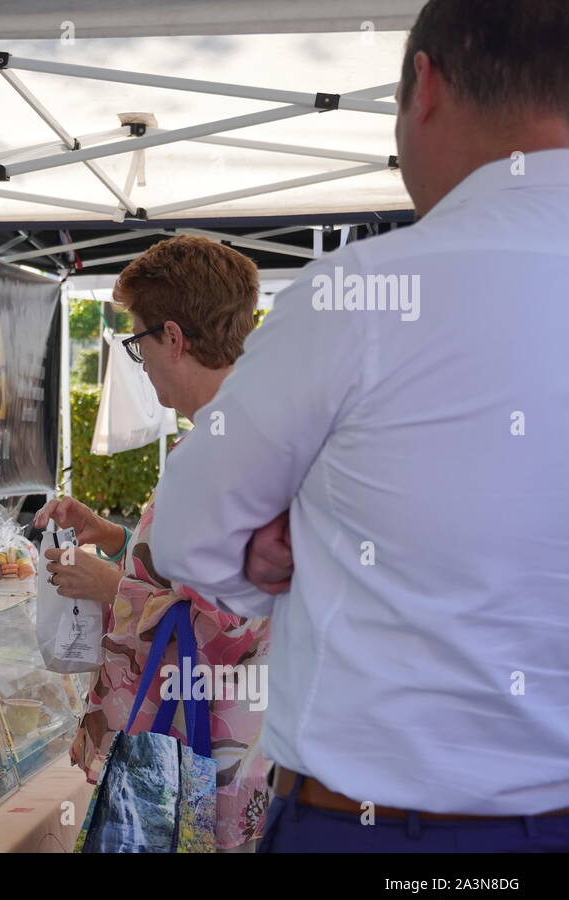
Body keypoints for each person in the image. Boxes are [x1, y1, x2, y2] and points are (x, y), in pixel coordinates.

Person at [151, 0, 569, 852]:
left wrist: (283, 558)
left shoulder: (365, 294)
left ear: (425, 85)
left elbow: (192, 533)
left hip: (382, 834)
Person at [36, 235, 271, 851]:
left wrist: (111, 585)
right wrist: (116, 540)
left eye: (137, 341)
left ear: (174, 337)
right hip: (213, 743)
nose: (141, 359)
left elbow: (227, 622)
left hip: (207, 757)